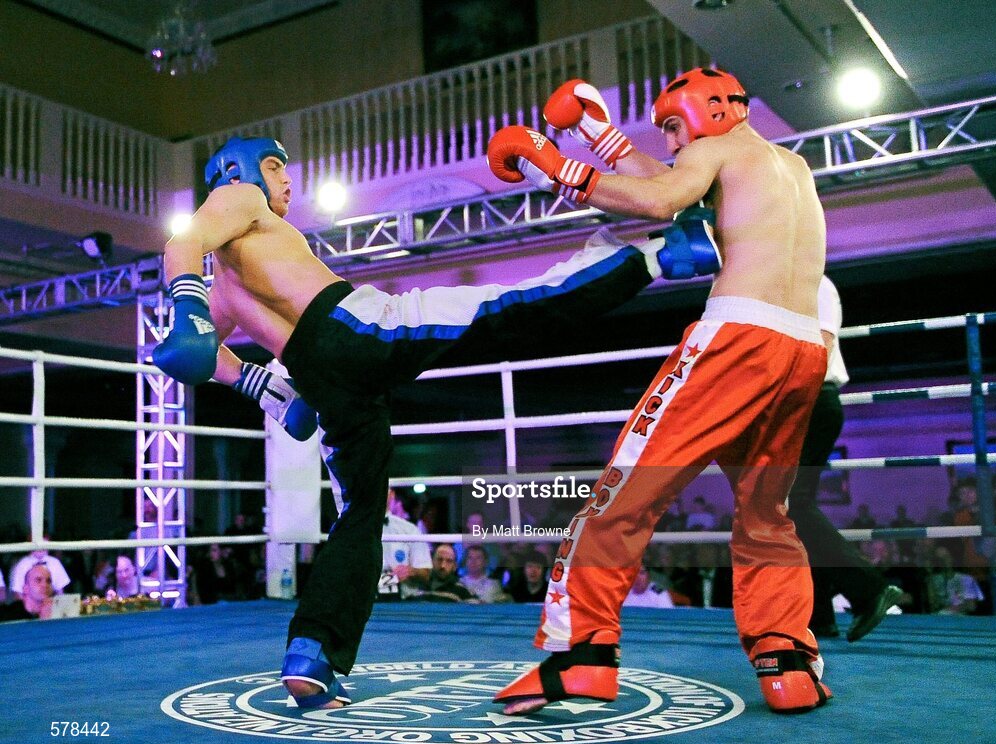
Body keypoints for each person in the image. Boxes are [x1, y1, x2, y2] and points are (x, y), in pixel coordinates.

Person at [153, 136, 706, 708]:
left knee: (359, 516)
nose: (287, 180)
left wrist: (249, 377)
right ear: (238, 172)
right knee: (500, 310)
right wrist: (190, 306)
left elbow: (185, 354)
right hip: (353, 329)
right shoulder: (240, 198)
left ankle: (312, 654)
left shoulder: (225, 287)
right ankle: (659, 254)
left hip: (322, 380)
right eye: (274, 167)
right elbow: (182, 242)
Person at [487, 67, 832, 714]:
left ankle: (582, 653)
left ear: (710, 110)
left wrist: (554, 167)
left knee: (626, 489)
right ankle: (787, 661)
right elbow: (676, 185)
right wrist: (600, 137)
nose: (673, 141)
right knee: (766, 514)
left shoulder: (712, 148)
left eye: (674, 126)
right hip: (803, 349)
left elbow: (659, 200)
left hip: (738, 340)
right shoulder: (788, 165)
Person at [786, 275, 903, 641]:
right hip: (799, 405)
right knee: (793, 508)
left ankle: (869, 590)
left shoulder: (815, 284)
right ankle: (820, 614)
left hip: (810, 401)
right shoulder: (780, 285)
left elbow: (820, 348)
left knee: (792, 504)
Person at [378, 489, 431, 601]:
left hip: (405, 600)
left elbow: (426, 573)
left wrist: (411, 571)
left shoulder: (409, 530)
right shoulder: (355, 530)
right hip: (366, 600)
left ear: (392, 494)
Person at [401, 544, 477, 603]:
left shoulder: (463, 590)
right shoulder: (417, 585)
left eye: (449, 561)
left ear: (455, 566)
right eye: (439, 559)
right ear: (432, 561)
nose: (442, 565)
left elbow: (476, 612)